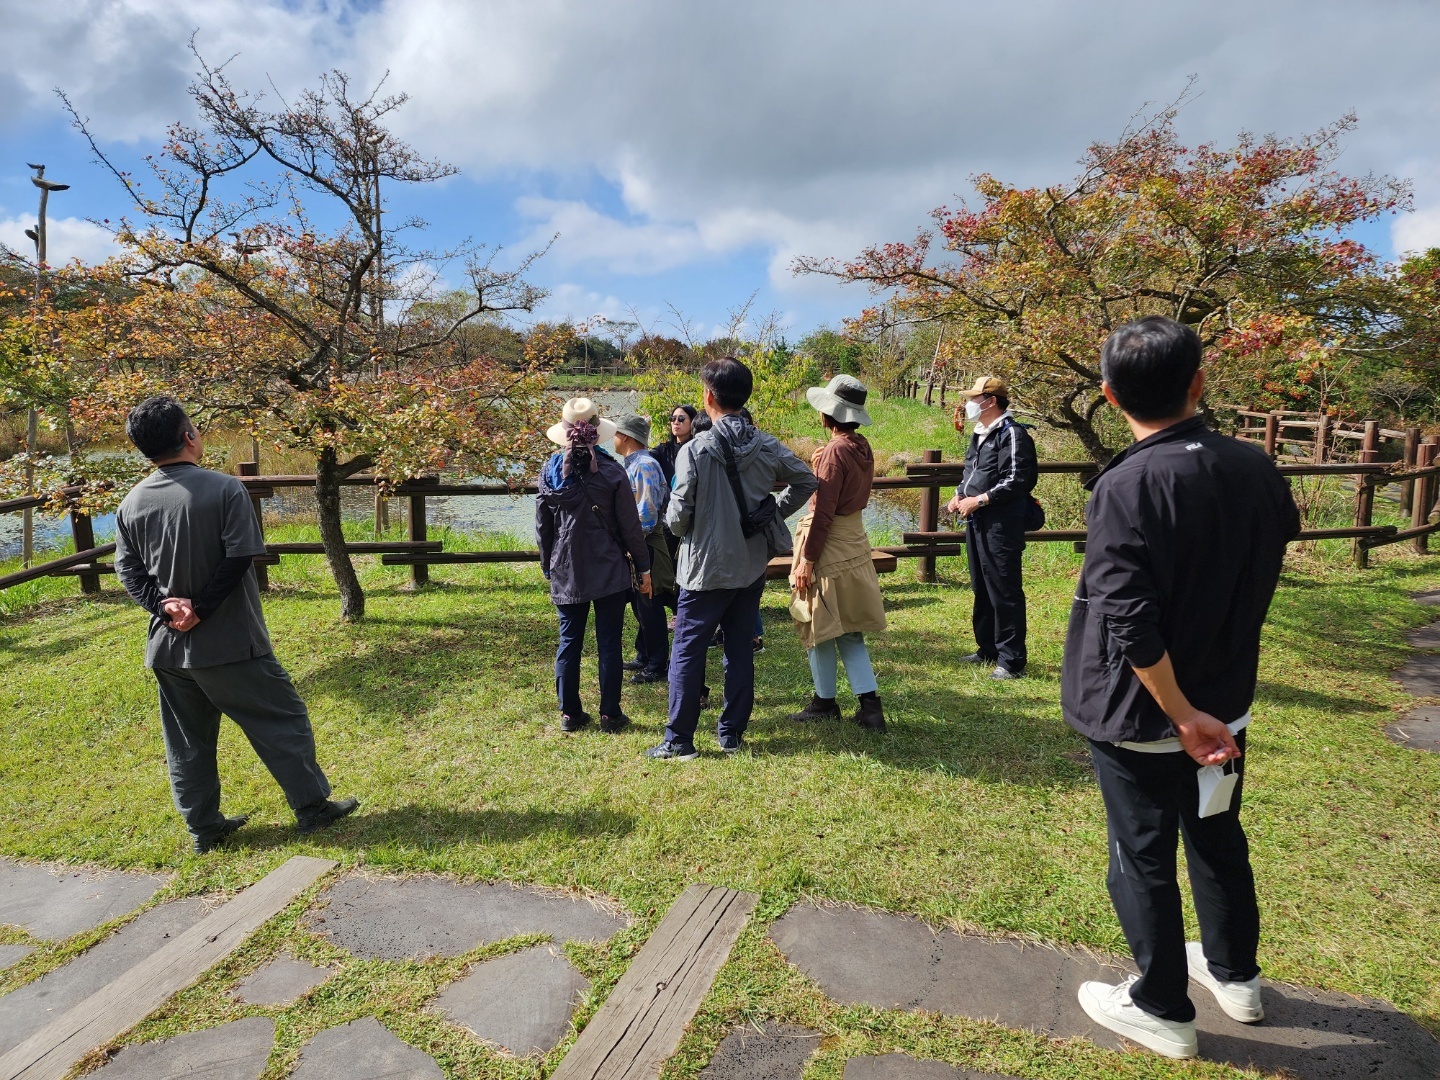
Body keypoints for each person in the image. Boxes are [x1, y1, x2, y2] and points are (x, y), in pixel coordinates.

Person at [1064, 317, 1300, 1060]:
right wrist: (1206, 710)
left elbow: (1130, 622)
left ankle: (1163, 1005)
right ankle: (1236, 976)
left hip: (1146, 713)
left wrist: (1180, 713)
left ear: (1108, 396)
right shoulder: (1256, 467)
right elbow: (1267, 547)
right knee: (1216, 830)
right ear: (1198, 383)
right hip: (1227, 701)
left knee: (1141, 852)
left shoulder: (1126, 485)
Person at [113, 396, 358, 855]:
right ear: (189, 436)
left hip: (169, 652)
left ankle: (204, 829)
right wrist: (200, 609)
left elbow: (128, 573)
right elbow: (240, 556)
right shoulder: (225, 489)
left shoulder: (131, 503)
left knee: (188, 742)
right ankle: (312, 809)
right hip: (230, 645)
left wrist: (165, 609)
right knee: (281, 718)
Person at [648, 358, 818, 760]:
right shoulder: (767, 444)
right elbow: (807, 480)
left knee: (688, 651)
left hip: (704, 568)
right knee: (739, 648)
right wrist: (772, 512)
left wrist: (686, 523)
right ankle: (732, 734)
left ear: (708, 397)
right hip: (750, 564)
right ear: (746, 396)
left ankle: (679, 740)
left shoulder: (695, 450)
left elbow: (676, 518)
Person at [537, 398, 653, 734]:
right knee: (608, 643)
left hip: (567, 568)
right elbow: (631, 528)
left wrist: (548, 564)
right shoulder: (613, 471)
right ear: (597, 432)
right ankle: (610, 714)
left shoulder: (549, 473)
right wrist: (644, 568)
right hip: (609, 569)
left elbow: (543, 527)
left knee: (569, 641)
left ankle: (570, 714)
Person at [787, 375, 888, 730]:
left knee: (817, 622)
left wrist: (807, 561)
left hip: (829, 547)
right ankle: (867, 706)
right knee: (847, 629)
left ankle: (825, 701)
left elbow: (824, 512)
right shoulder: (860, 445)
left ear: (828, 414)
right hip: (854, 542)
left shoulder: (834, 451)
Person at [945, 376, 1038, 679]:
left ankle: (1011, 661)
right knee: (981, 586)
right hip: (976, 519)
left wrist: (980, 500)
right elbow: (970, 471)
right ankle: (987, 649)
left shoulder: (1012, 434)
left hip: (1001, 523)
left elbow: (1016, 481)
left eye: (974, 398)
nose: (969, 403)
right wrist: (959, 494)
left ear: (991, 401)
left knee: (1004, 588)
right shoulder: (980, 432)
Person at [612, 413, 675, 685]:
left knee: (650, 604)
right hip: (639, 542)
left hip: (646, 542)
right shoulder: (635, 464)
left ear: (625, 437)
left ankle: (658, 664)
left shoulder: (645, 465)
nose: (611, 438)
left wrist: (630, 542)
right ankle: (646, 653)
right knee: (641, 604)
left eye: (615, 433)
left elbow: (647, 515)